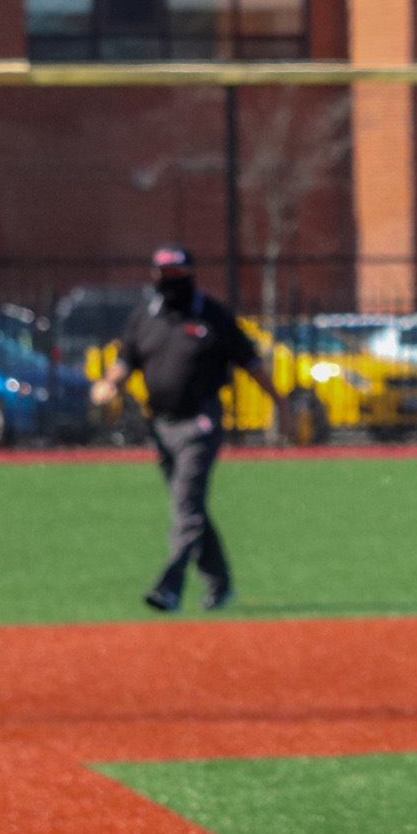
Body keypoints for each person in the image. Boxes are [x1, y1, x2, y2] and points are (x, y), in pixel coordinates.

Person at [90, 247, 286, 612]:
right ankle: (220, 585)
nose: (170, 282)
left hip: (200, 423)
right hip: (161, 426)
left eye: (176, 274)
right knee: (190, 508)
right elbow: (125, 359)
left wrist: (279, 401)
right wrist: (109, 383)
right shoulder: (145, 317)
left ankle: (170, 586)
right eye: (163, 274)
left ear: (191, 274)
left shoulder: (212, 315)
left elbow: (251, 362)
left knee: (186, 504)